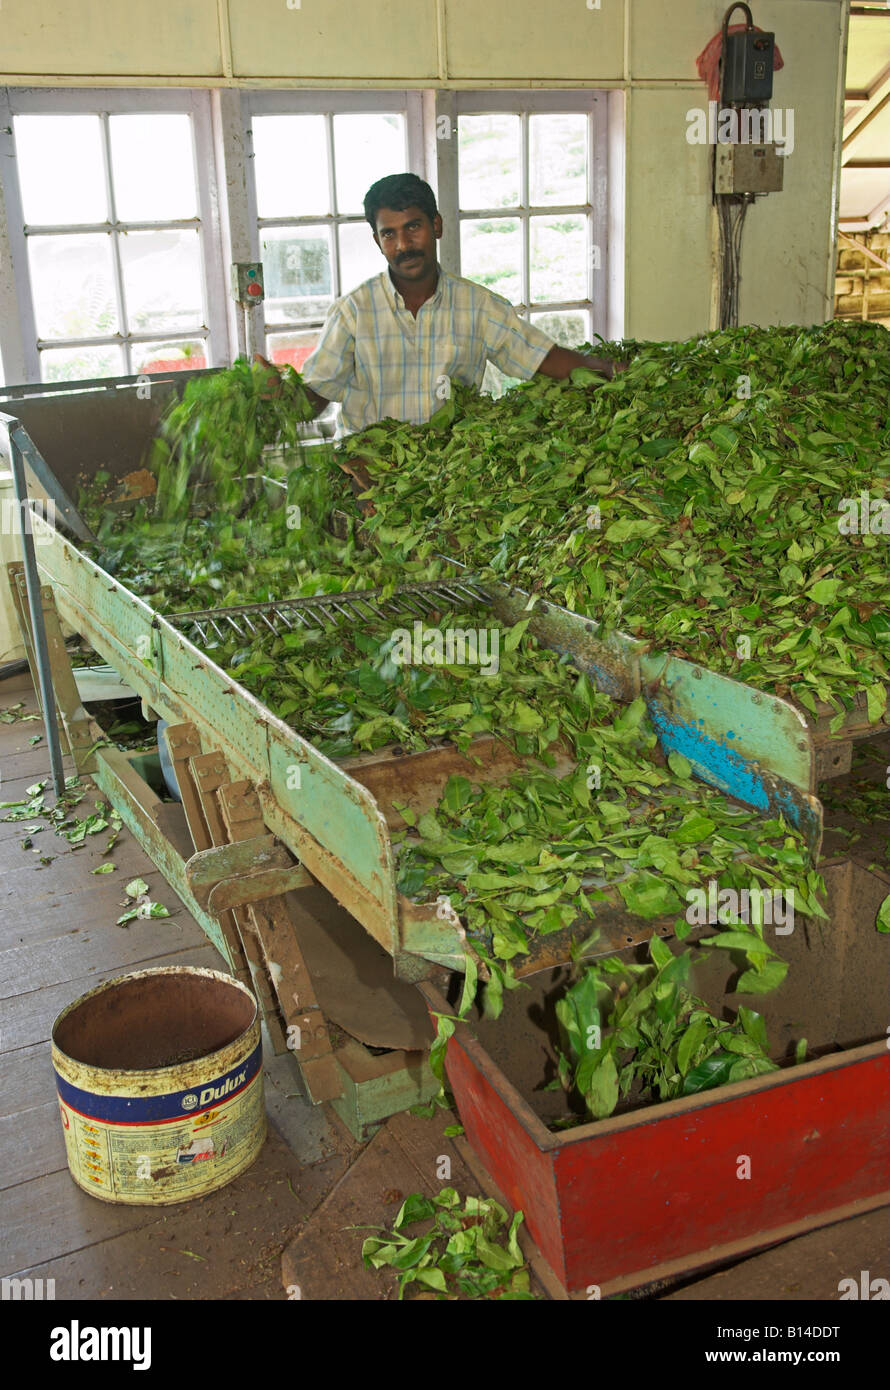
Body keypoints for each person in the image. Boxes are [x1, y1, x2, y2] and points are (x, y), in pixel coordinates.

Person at [261, 172, 623, 501]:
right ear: (377, 240)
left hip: (451, 481)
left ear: (436, 225)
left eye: (413, 227)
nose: (404, 245)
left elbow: (541, 357)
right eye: (390, 234)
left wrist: (609, 369)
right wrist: (279, 395)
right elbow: (315, 398)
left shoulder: (477, 306)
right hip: (367, 481)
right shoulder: (354, 312)